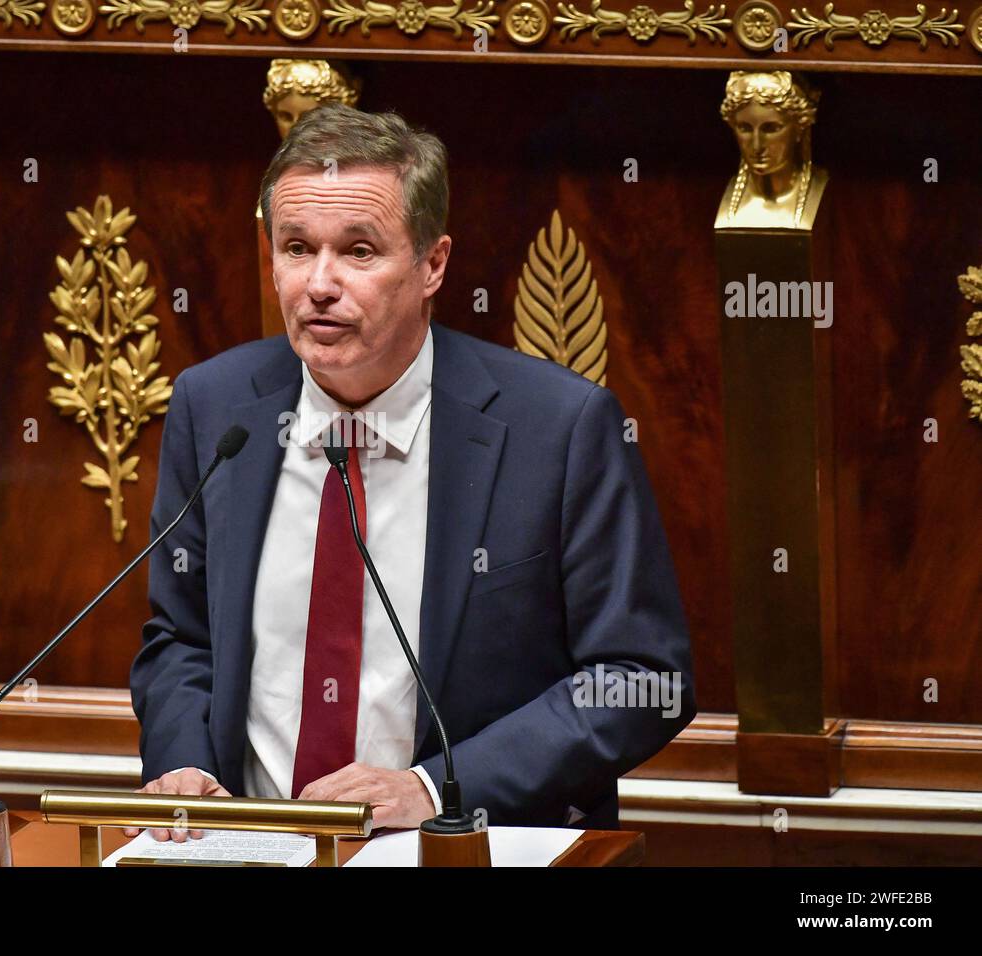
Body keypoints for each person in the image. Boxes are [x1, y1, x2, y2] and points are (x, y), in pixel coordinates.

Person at [127, 103, 696, 842]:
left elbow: (644, 677)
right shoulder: (215, 407)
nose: (320, 284)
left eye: (359, 251)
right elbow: (179, 637)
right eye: (296, 247)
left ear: (433, 264)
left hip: (462, 847)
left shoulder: (558, 429)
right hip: (248, 844)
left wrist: (435, 789)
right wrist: (186, 762)